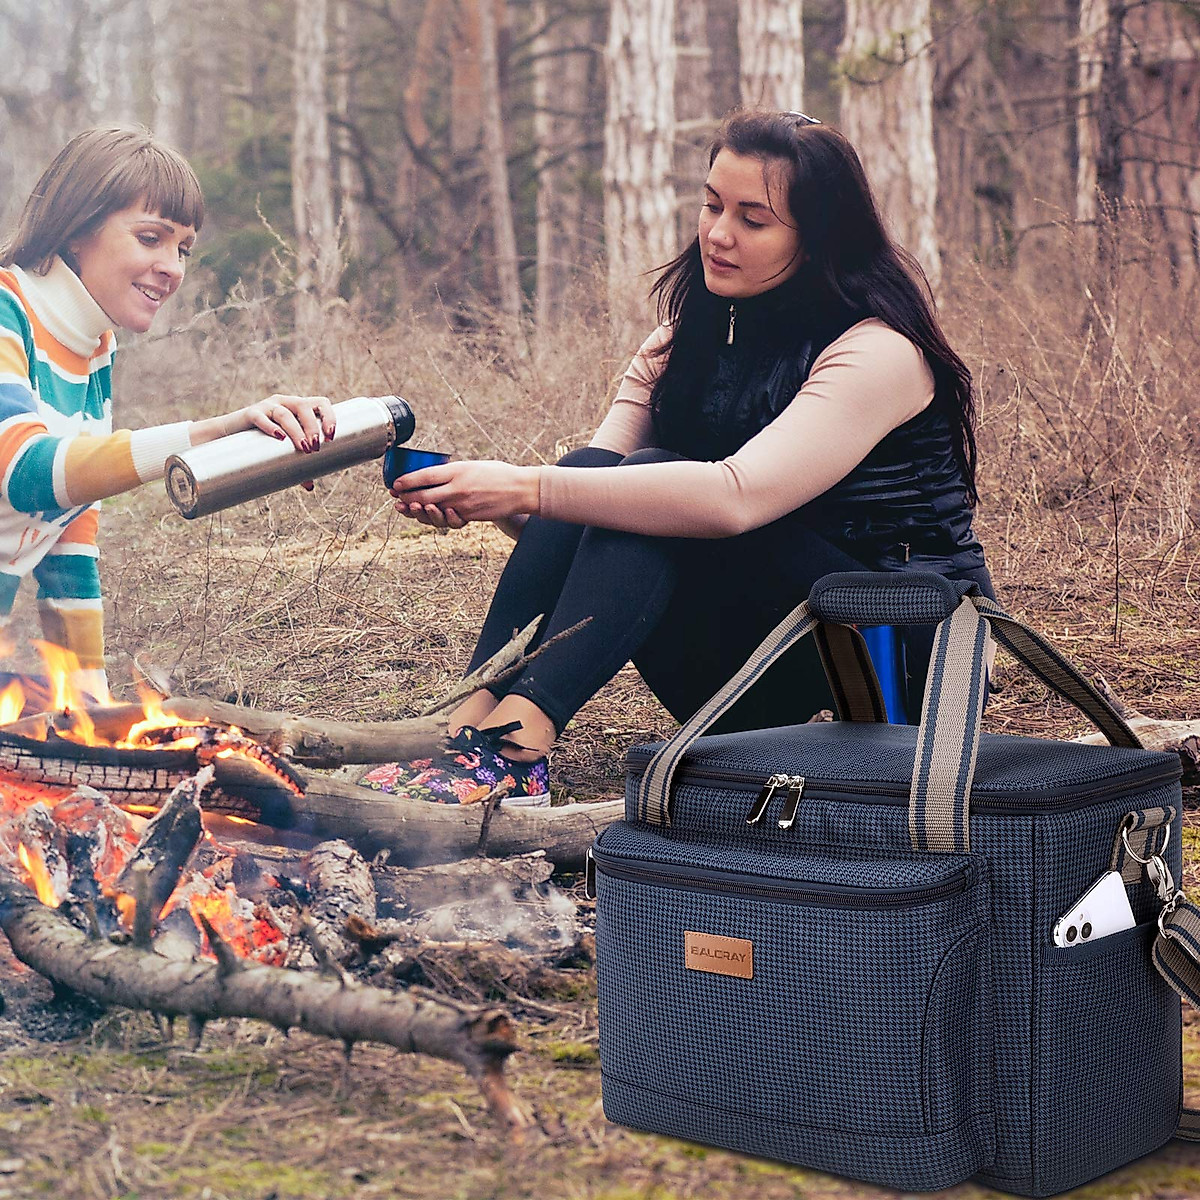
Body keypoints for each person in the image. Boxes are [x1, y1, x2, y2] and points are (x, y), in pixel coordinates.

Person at [363, 109, 995, 807]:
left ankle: (516, 750)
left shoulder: (878, 351)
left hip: (894, 649)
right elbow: (587, 509)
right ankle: (461, 728)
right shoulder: (679, 341)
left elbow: (732, 498)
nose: (718, 234)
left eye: (753, 220)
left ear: (819, 239)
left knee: (639, 483)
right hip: (760, 652)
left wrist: (525, 488)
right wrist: (489, 501)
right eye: (712, 204)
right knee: (594, 470)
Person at [0, 126, 335, 699]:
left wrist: (90, 709)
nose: (173, 267)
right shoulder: (7, 311)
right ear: (77, 228)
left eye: (182, 249)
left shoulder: (95, 346)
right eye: (150, 238)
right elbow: (25, 471)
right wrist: (214, 432)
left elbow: (69, 541)